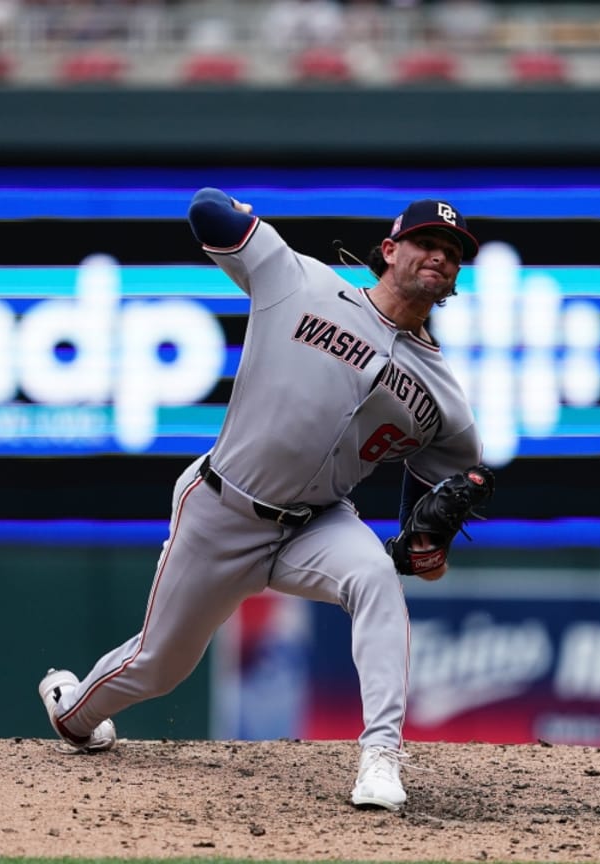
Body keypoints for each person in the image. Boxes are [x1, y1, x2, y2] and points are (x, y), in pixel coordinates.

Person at [38, 187, 488, 812]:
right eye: (425, 242)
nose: (439, 255)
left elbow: (442, 483)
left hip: (318, 523)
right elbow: (204, 210)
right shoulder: (300, 281)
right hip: (224, 508)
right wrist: (245, 217)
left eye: (451, 251)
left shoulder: (443, 395)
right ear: (389, 250)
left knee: (376, 580)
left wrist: (424, 544)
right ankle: (73, 711)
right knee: (160, 666)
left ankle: (382, 755)